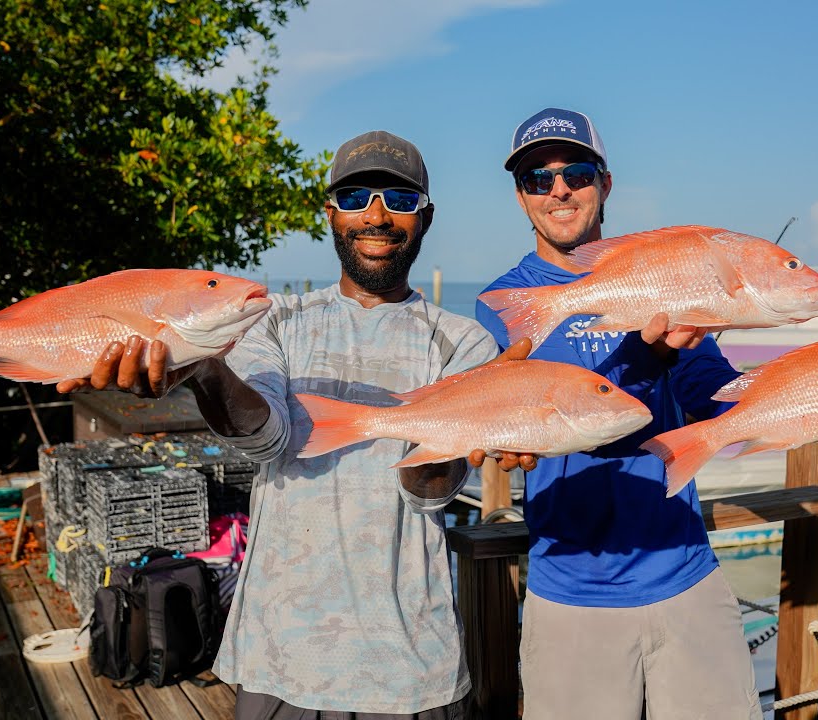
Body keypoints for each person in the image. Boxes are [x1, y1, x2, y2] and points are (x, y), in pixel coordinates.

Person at [61, 130, 530, 719]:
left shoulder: (465, 342)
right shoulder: (275, 322)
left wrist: (469, 422)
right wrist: (206, 370)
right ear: (329, 212)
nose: (377, 215)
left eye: (400, 200)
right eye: (357, 196)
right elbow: (266, 437)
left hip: (412, 669)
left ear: (426, 218)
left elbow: (428, 493)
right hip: (278, 659)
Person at [476, 108, 818, 720]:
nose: (559, 190)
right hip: (570, 596)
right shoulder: (504, 306)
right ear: (520, 197)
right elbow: (498, 416)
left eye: (576, 172)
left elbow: (718, 398)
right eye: (537, 180)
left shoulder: (667, 277)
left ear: (606, 182)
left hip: (688, 580)